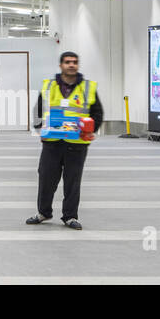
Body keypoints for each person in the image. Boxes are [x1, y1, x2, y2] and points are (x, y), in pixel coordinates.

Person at [27, 51, 104, 230]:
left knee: (72, 181)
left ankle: (70, 216)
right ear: (61, 65)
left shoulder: (87, 87)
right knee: (46, 178)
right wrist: (39, 130)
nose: (71, 65)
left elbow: (97, 113)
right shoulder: (49, 86)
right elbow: (38, 109)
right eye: (68, 62)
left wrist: (91, 130)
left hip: (77, 144)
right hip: (52, 143)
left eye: (75, 62)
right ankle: (43, 212)